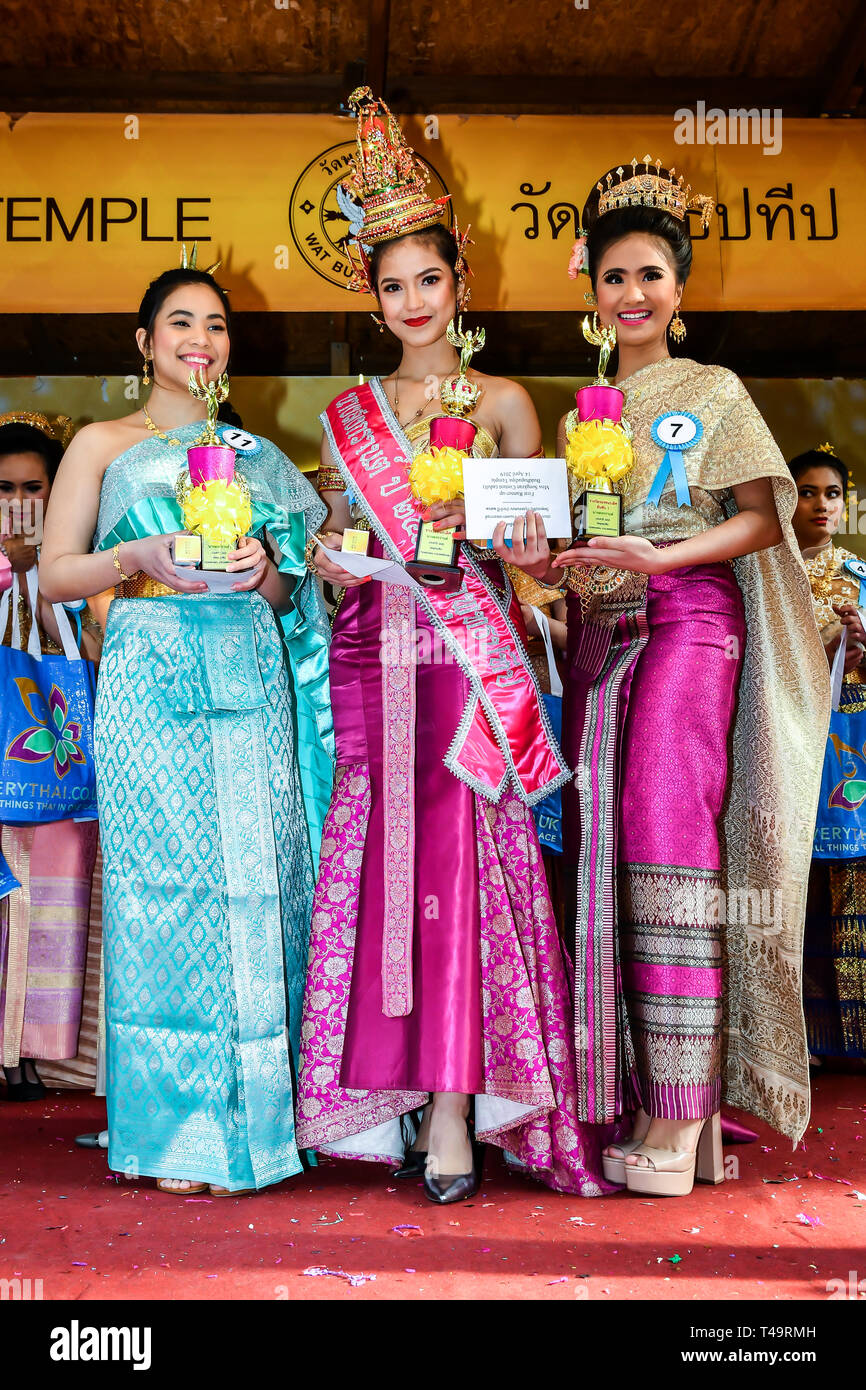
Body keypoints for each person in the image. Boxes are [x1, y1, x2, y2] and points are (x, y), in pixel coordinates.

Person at [297, 87, 621, 1204]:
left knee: (454, 869)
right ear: (371, 294)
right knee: (384, 869)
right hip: (380, 653)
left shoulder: (508, 403)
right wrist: (329, 556)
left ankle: (450, 1109)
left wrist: (535, 549)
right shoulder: (346, 417)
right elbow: (341, 533)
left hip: (468, 667)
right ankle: (383, 1094)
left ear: (458, 281)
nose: (411, 301)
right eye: (390, 285)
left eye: (427, 279)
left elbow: (539, 561)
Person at [497, 158, 828, 1196]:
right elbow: (580, 551)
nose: (629, 294)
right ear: (586, 289)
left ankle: (678, 1120)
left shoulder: (710, 391)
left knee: (667, 842)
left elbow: (759, 518)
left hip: (689, 622)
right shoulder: (584, 412)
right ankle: (669, 1107)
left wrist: (660, 559)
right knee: (607, 851)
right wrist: (539, 560)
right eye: (611, 277)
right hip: (606, 638)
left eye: (648, 275)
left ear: (677, 289)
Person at [38, 253, 333, 1195]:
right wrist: (136, 554)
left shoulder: (261, 458)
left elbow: (297, 585)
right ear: (144, 342)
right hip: (149, 680)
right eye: (181, 323)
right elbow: (54, 575)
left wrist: (266, 573)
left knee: (261, 882)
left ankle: (262, 1120)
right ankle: (177, 1134)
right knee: (161, 897)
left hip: (247, 671)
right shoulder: (100, 445)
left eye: (215, 325)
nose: (200, 339)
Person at [0, 414, 101, 1102]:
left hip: (66, 765)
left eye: (34, 487)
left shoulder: (84, 560)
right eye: (2, 488)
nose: (19, 503)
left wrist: (50, 574)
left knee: (58, 902)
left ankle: (41, 1053)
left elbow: (101, 646)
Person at [792, 445, 866, 1063]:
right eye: (807, 491)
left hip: (852, 753)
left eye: (832, 493)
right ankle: (799, 1038)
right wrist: (828, 637)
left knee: (852, 880)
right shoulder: (767, 576)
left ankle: (856, 1035)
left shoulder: (862, 580)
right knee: (791, 887)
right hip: (786, 740)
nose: (821, 504)